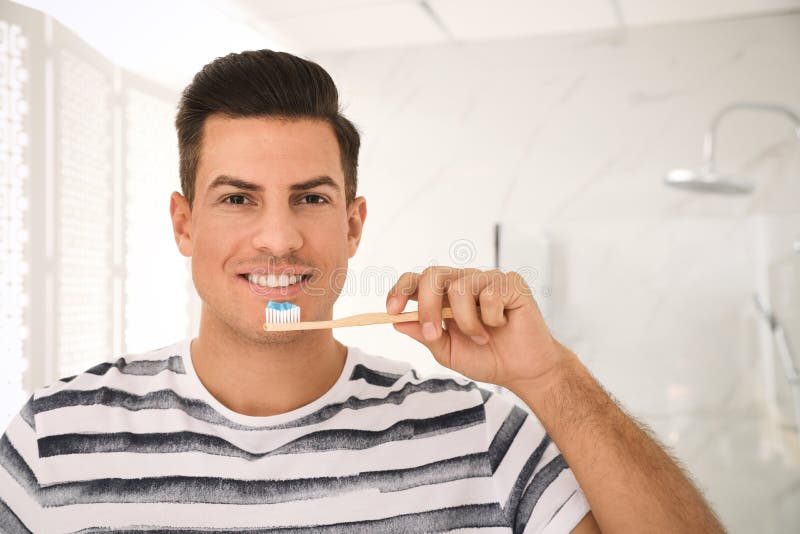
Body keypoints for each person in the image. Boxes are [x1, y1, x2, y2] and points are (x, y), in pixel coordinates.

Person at [0, 50, 725, 533]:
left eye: (310, 200)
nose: (279, 239)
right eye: (238, 199)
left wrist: (548, 374)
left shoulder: (478, 435)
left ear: (354, 224)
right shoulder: (54, 439)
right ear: (184, 223)